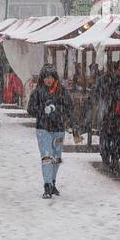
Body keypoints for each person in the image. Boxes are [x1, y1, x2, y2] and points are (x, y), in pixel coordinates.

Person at [28, 64, 72, 198]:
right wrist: (42, 110)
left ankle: (53, 182)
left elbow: (69, 107)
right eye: (46, 77)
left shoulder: (62, 91)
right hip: (43, 129)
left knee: (56, 158)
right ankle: (47, 185)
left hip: (58, 129)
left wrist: (61, 113)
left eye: (50, 77)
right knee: (47, 157)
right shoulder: (37, 92)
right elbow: (31, 109)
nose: (48, 80)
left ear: (54, 78)